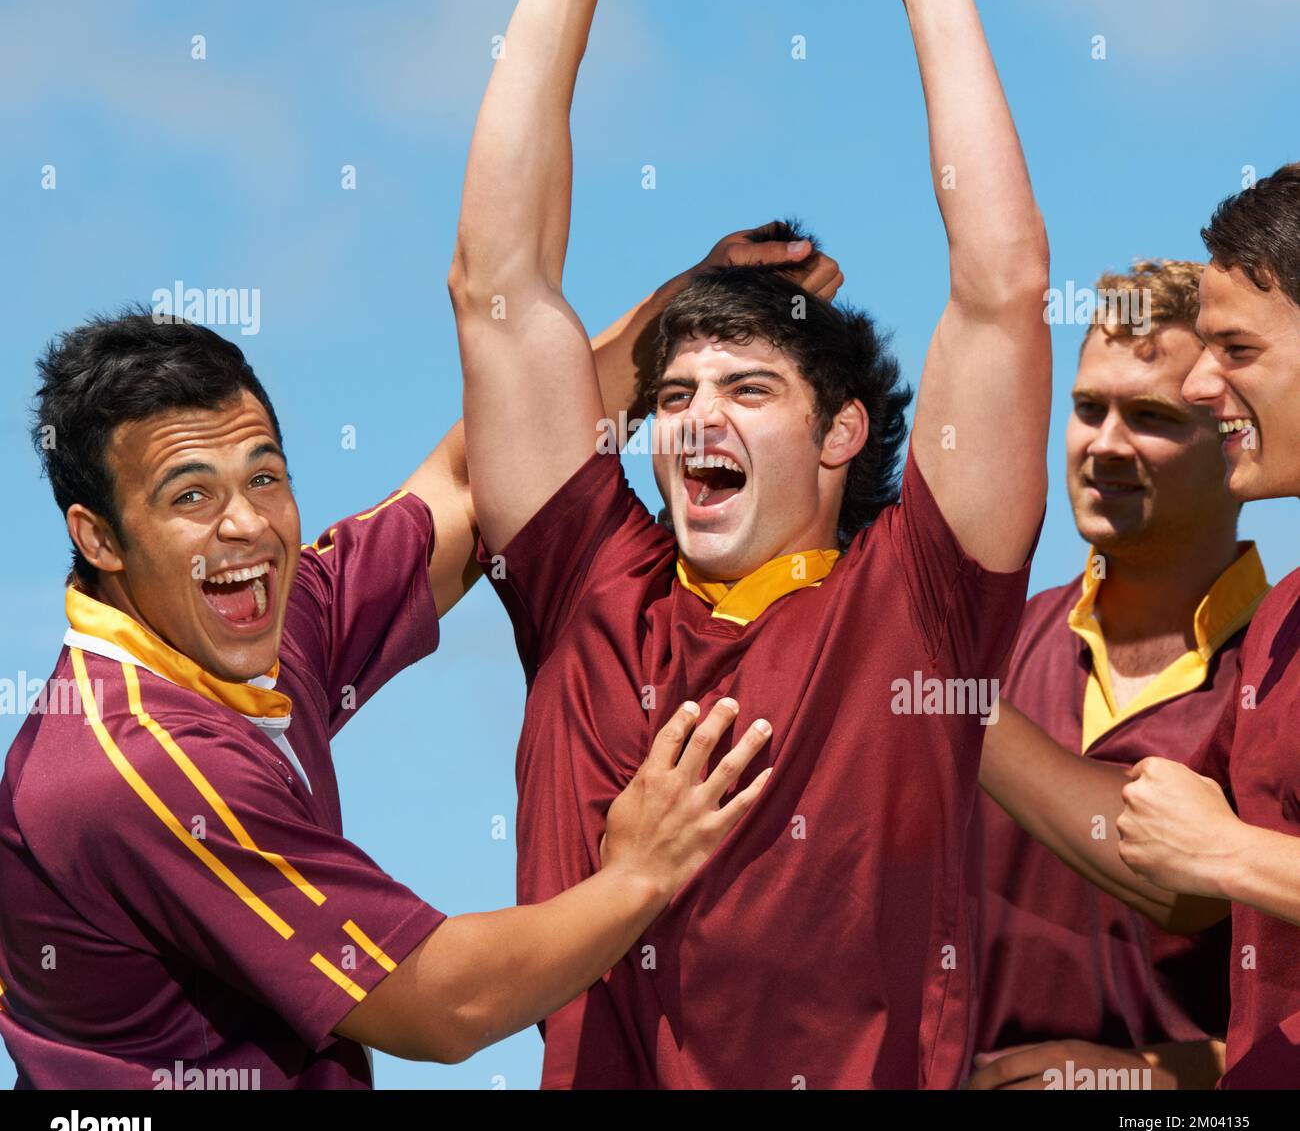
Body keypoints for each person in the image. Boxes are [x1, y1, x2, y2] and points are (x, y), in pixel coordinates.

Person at [450, 0, 1050, 1088]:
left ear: (843, 433)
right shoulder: (585, 586)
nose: (694, 419)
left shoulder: (921, 607)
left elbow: (1002, 289)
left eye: (746, 390)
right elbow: (496, 291)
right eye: (671, 397)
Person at [0, 266, 790, 1088]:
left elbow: (473, 480)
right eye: (191, 495)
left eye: (264, 478)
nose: (247, 525)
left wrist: (687, 315)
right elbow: (438, 1004)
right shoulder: (135, 764)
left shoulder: (247, 630)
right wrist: (640, 874)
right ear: (99, 539)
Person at [979, 163, 1300, 1091]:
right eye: (1087, 409)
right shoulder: (994, 647)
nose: (1105, 443)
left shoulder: (1260, 651)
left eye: (1149, 415)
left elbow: (1189, 889)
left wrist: (1141, 1083)